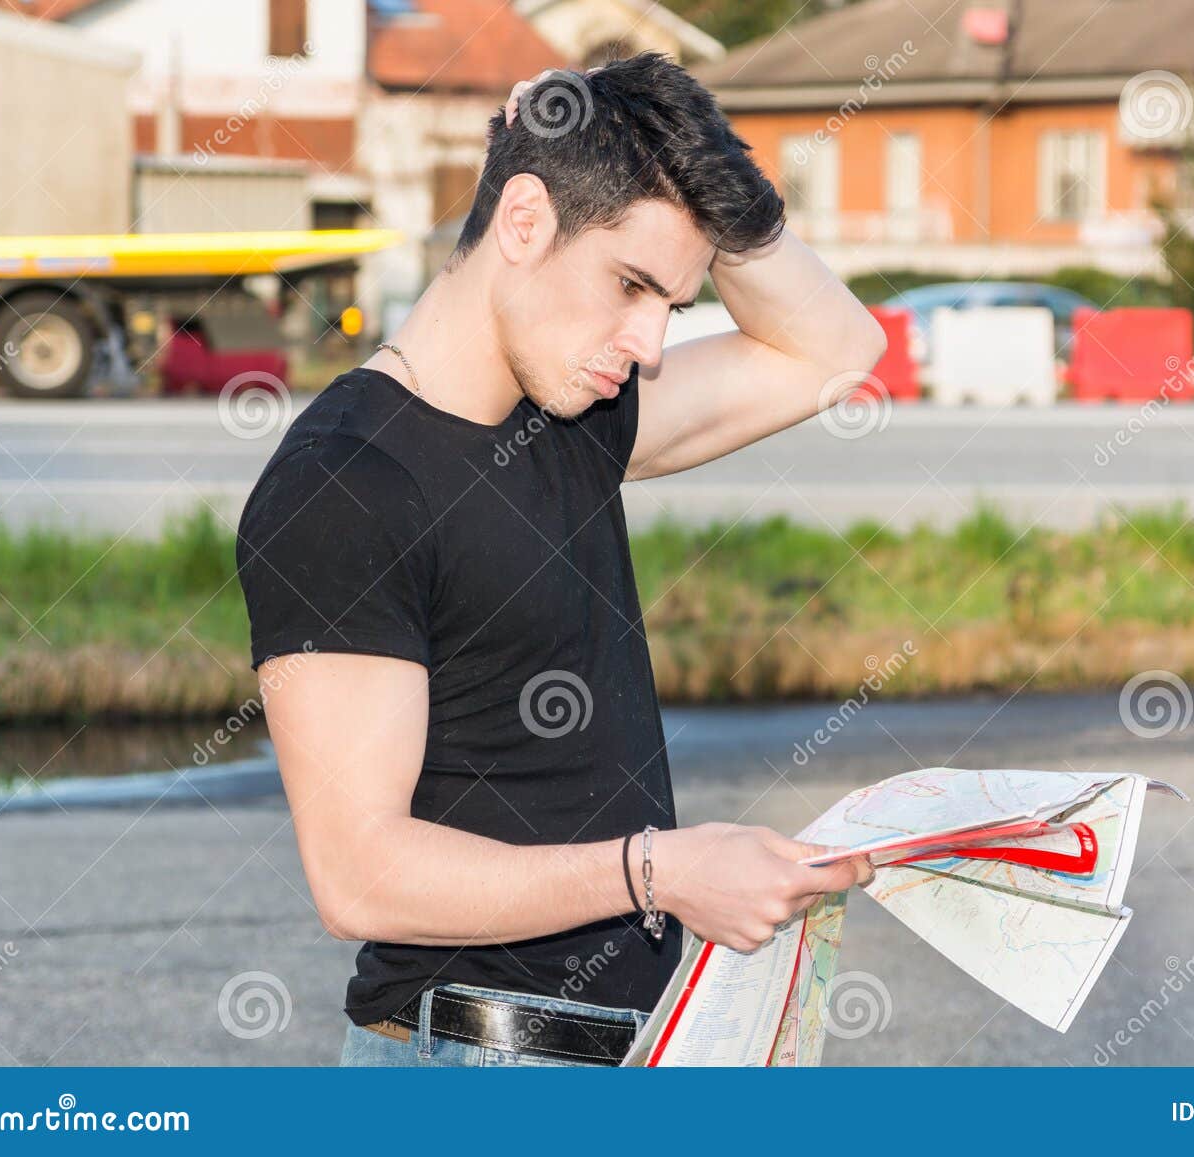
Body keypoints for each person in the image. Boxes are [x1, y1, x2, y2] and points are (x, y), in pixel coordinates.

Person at [235, 52, 887, 1068]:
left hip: (622, 1051)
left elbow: (834, 350)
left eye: (671, 302)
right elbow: (357, 874)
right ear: (524, 221)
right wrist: (657, 871)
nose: (650, 341)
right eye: (630, 284)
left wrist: (716, 194)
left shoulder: (566, 416)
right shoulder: (346, 482)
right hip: (467, 1061)